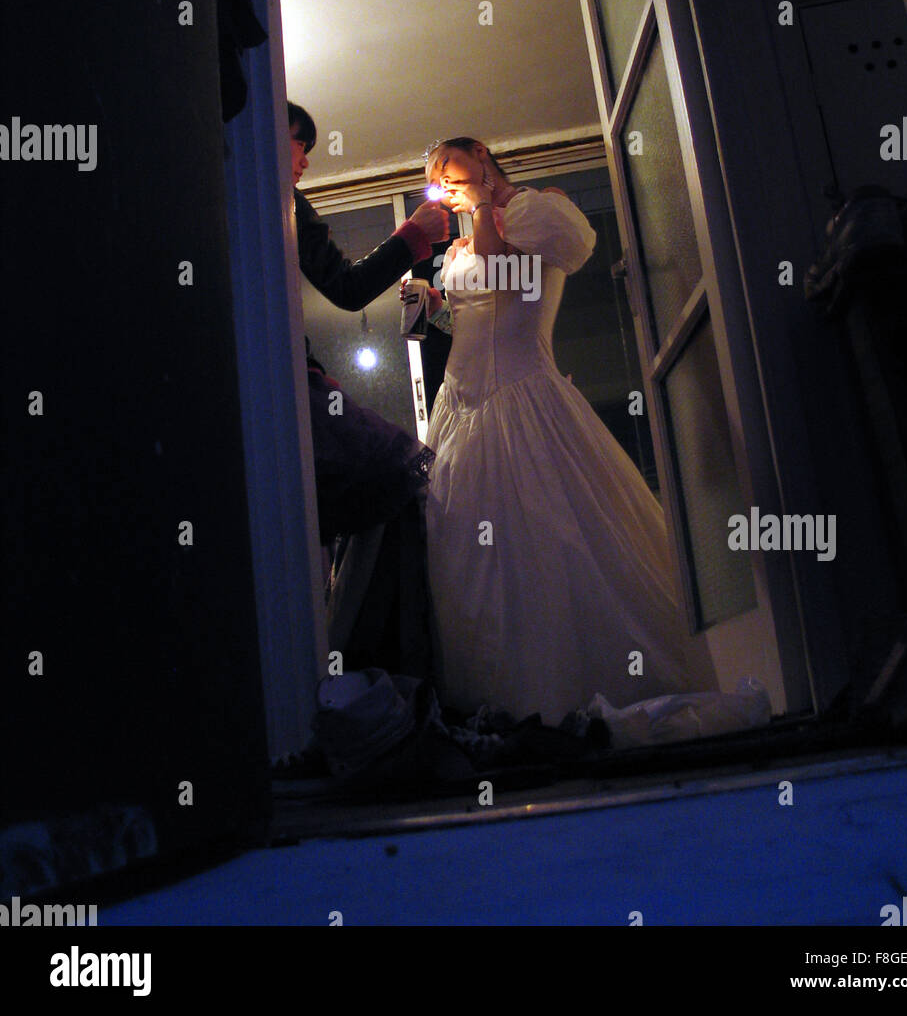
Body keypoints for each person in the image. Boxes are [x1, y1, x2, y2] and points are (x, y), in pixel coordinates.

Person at [419, 136, 692, 725]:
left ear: (484, 154)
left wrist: (492, 203)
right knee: (467, 551)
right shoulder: (459, 244)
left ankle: (572, 700)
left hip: (521, 394)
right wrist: (431, 306)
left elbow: (510, 275)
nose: (440, 176)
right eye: (432, 172)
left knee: (550, 532)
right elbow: (471, 310)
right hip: (457, 406)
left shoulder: (537, 212)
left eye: (449, 163)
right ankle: (498, 709)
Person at [288, 102, 449, 675]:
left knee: (326, 518)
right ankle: (371, 671)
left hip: (293, 380)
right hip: (289, 385)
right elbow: (348, 286)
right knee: (392, 472)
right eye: (299, 143)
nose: (306, 159)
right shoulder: (278, 199)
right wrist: (410, 236)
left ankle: (346, 669)